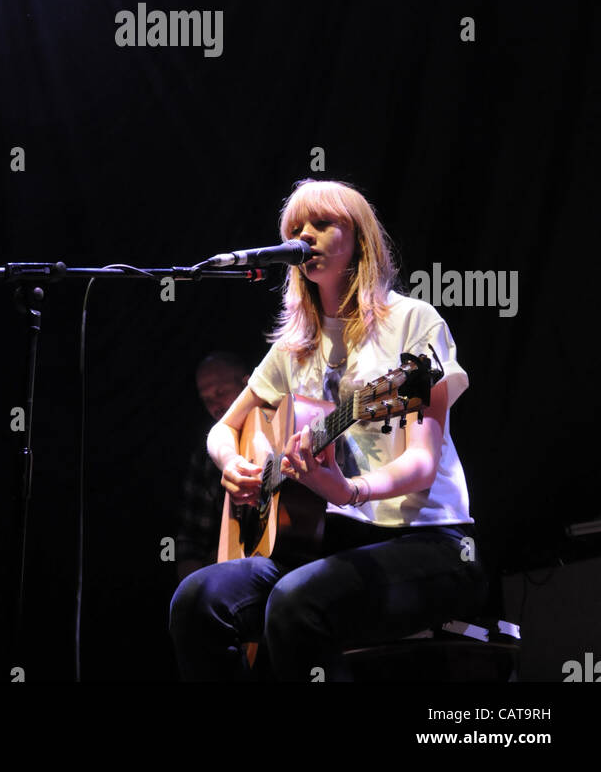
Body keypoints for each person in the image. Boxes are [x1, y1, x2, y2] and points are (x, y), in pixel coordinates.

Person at [170, 179, 488, 681]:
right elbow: (220, 432)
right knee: (197, 599)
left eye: (322, 224)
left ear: (359, 239)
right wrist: (234, 464)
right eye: (296, 229)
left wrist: (350, 489)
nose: (306, 236)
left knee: (297, 603)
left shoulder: (413, 322)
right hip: (330, 544)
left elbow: (423, 463)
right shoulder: (294, 347)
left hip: (429, 543)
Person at [177, 353, 249, 581]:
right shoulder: (205, 456)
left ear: (248, 384)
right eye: (206, 399)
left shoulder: (282, 426)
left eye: (220, 393)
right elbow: (188, 541)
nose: (214, 405)